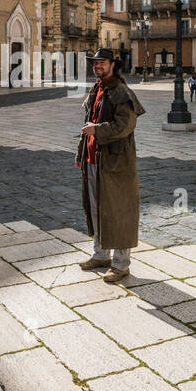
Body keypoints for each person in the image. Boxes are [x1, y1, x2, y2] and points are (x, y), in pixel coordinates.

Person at [75, 47, 146, 282]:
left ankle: (121, 263)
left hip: (116, 164)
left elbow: (124, 126)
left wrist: (97, 130)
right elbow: (87, 123)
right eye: (95, 63)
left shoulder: (121, 92)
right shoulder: (97, 89)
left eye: (102, 62)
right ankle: (101, 255)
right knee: (97, 210)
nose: (97, 66)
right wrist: (80, 154)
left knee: (119, 211)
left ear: (113, 65)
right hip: (94, 160)